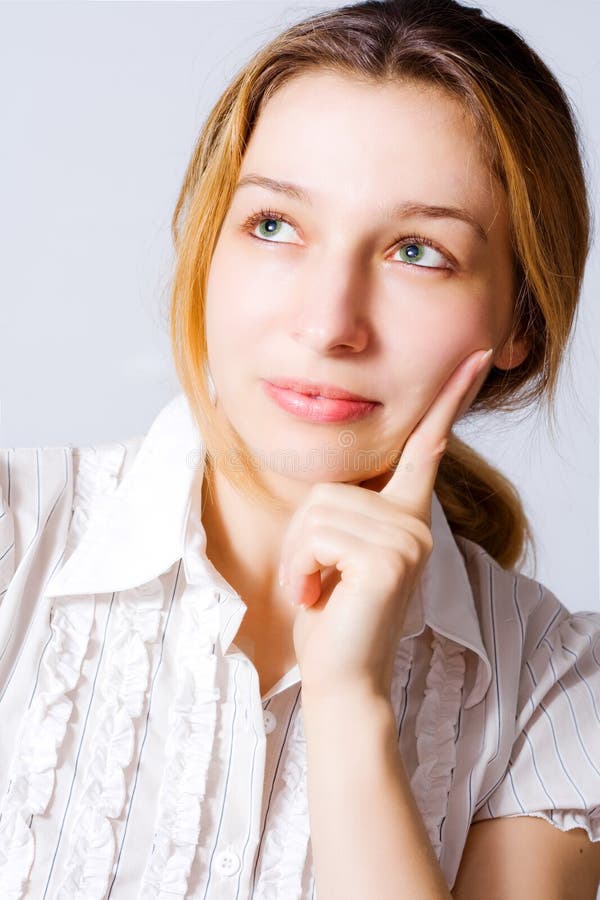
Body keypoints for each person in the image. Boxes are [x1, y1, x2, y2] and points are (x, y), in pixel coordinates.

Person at [0, 0, 598, 896]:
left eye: (417, 251)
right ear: (207, 247)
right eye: (274, 225)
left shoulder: (552, 687)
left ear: (521, 320)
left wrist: (351, 706)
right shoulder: (17, 537)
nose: (328, 324)